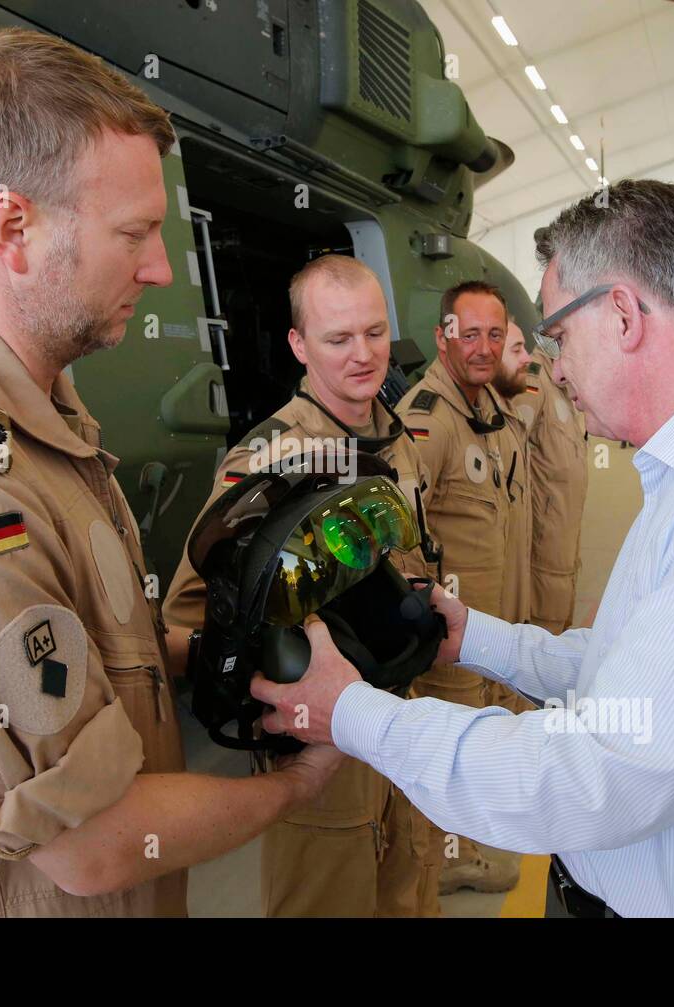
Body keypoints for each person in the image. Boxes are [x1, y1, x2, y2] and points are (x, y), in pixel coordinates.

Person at [251, 179, 674, 917]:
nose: (554, 368)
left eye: (559, 336)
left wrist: (351, 711)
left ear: (624, 315)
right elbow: (629, 677)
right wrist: (479, 638)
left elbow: (599, 773)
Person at [0, 28, 341, 918]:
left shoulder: (32, 417)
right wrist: (303, 781)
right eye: (134, 233)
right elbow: (92, 843)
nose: (161, 269)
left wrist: (215, 655)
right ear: (13, 228)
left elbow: (82, 656)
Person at [163, 254, 440, 917]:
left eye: (374, 333)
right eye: (337, 338)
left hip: (404, 718)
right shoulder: (269, 461)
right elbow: (188, 613)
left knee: (410, 888)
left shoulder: (399, 440)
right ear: (298, 344)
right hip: (323, 753)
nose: (362, 354)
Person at [396, 282, 531, 896]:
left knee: (474, 737)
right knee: (450, 747)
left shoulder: (486, 412)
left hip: (483, 630)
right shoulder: (429, 418)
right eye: (468, 333)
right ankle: (449, 858)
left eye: (494, 334)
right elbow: (396, 519)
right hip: (449, 634)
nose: (483, 347)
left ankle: (458, 845)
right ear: (442, 336)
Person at [494, 319, 588, 635]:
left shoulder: (561, 384)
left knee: (561, 627)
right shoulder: (533, 383)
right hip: (541, 554)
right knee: (542, 640)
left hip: (563, 550)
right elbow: (511, 457)